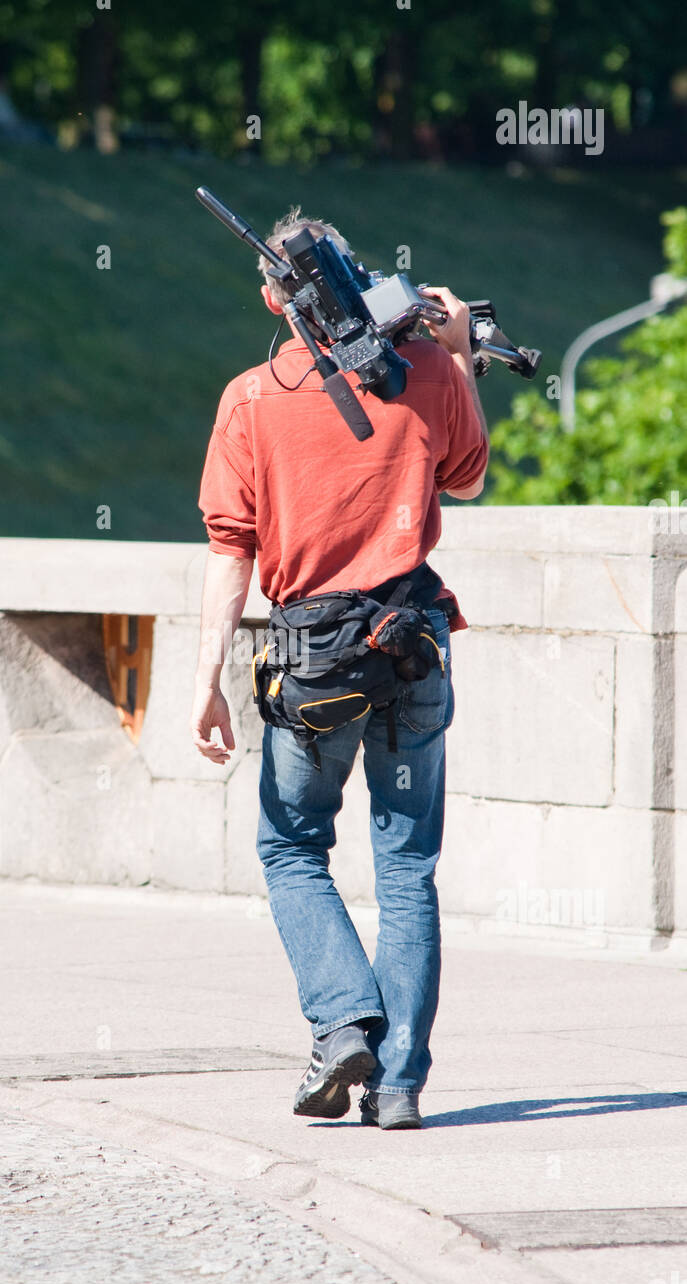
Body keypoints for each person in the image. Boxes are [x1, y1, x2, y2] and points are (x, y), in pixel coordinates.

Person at [192, 207, 488, 1131]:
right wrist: (460, 353)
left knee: (290, 845)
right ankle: (397, 1084)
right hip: (411, 648)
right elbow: (469, 477)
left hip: (313, 663)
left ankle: (342, 1022)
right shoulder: (428, 371)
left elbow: (230, 552)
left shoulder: (249, 399)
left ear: (273, 294)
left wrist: (204, 680)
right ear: (355, 276)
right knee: (406, 868)